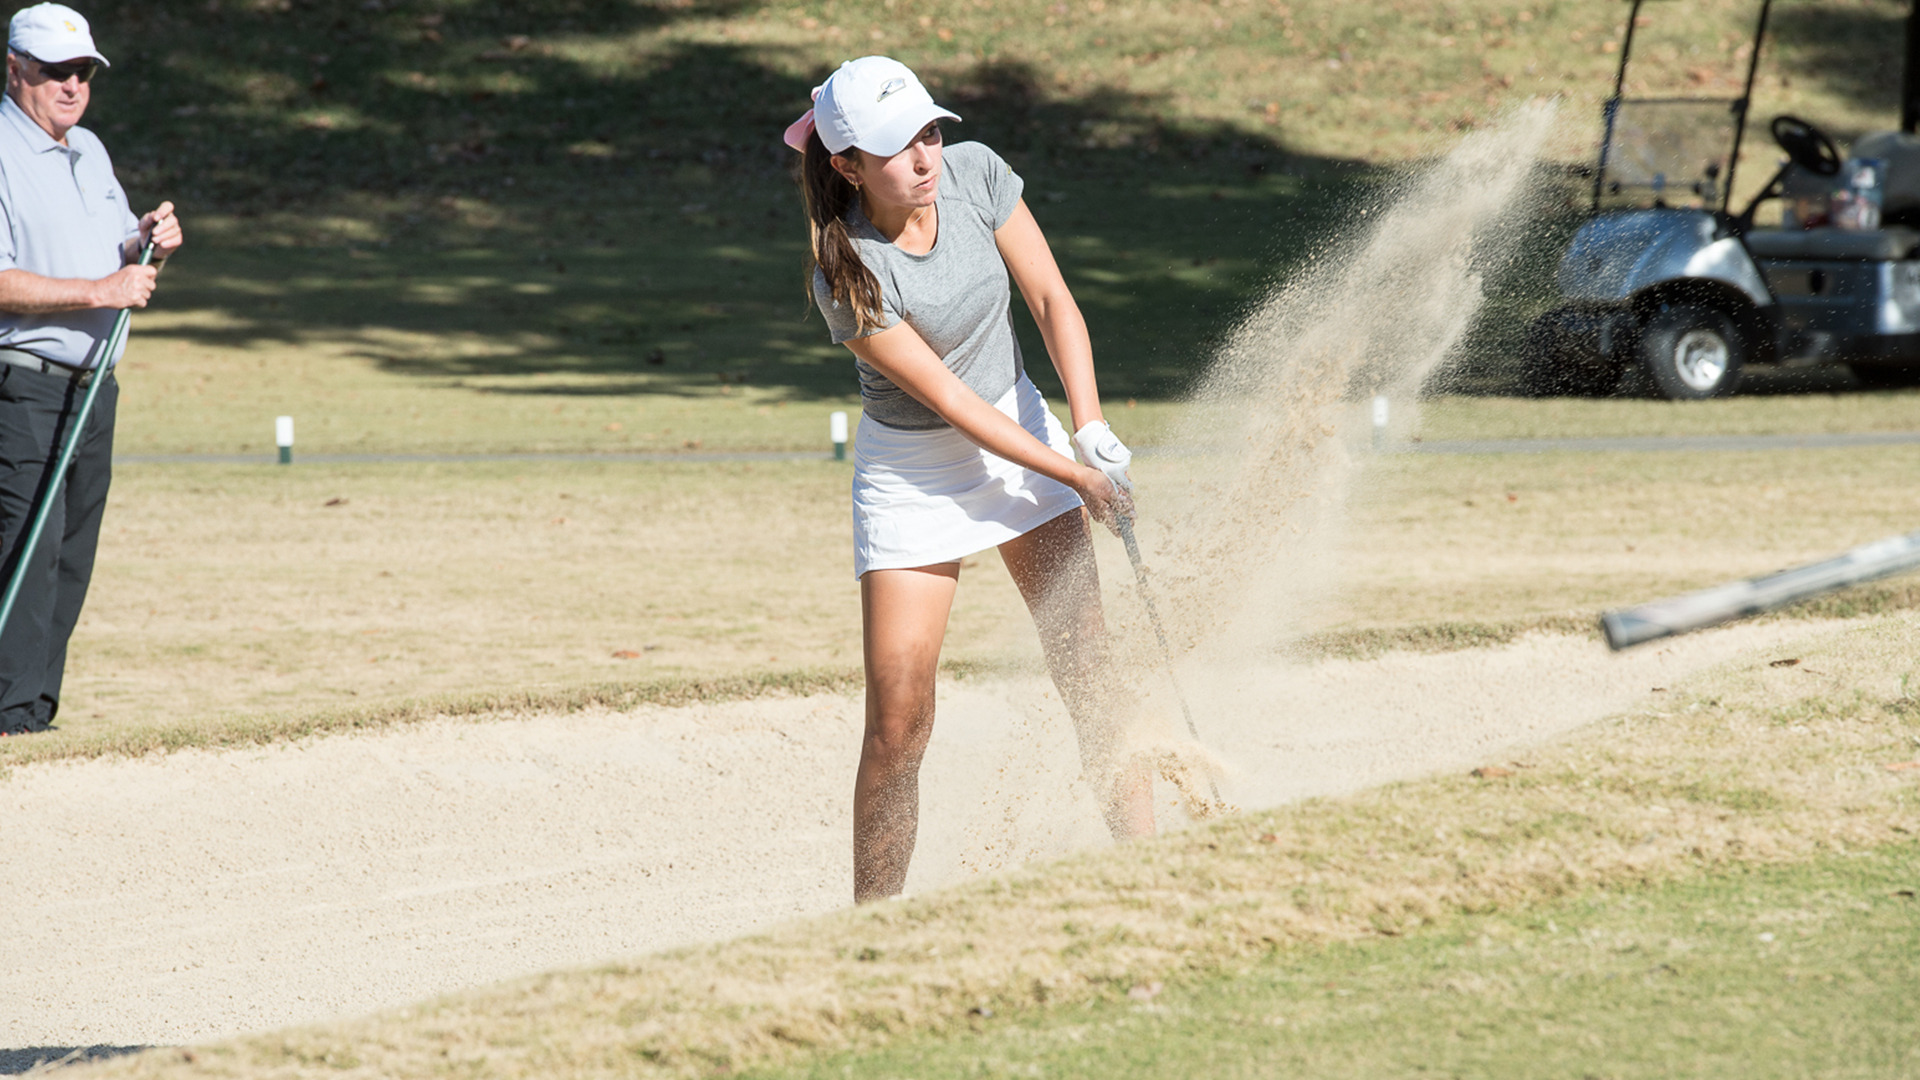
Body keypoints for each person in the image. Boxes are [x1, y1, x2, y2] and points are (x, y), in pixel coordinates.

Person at [785, 56, 1153, 902]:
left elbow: (1053, 299)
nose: (925, 158)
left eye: (927, 132)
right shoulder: (847, 269)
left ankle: (1150, 871)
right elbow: (948, 399)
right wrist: (1074, 476)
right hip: (915, 472)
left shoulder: (978, 172)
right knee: (900, 720)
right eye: (897, 148)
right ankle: (875, 931)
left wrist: (1089, 429)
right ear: (846, 165)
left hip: (1020, 426)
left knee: (1089, 669)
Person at [0, 2, 182, 736]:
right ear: (16, 71)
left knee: (72, 558)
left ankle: (36, 714)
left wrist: (146, 241)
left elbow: (114, 253)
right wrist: (99, 292)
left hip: (92, 387)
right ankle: (10, 719)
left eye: (84, 72)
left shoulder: (90, 151)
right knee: (24, 557)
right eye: (55, 72)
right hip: (24, 387)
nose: (72, 86)